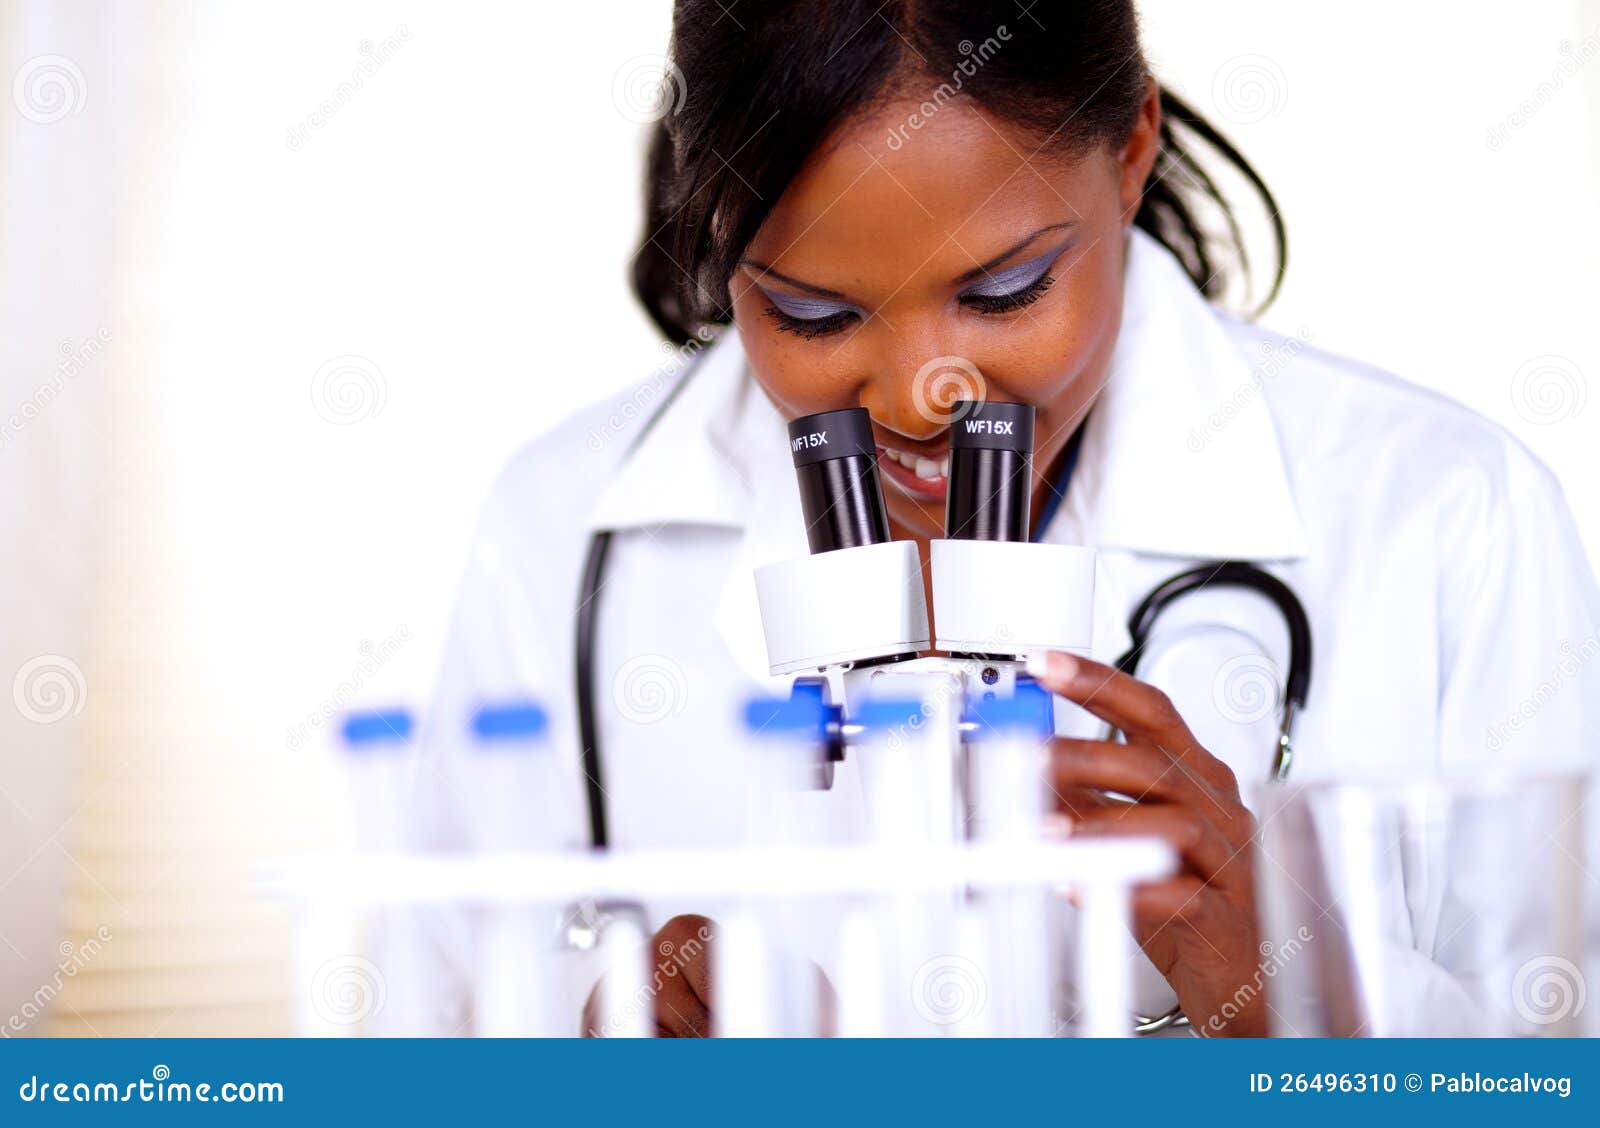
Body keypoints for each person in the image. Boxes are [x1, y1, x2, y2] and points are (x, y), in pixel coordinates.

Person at [397, 0, 1600, 1037]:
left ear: (1131, 149)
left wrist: (1303, 1005)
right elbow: (422, 1035)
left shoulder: (1441, 516)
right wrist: (583, 1056)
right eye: (813, 316)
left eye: (1006, 291)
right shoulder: (562, 535)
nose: (925, 394)